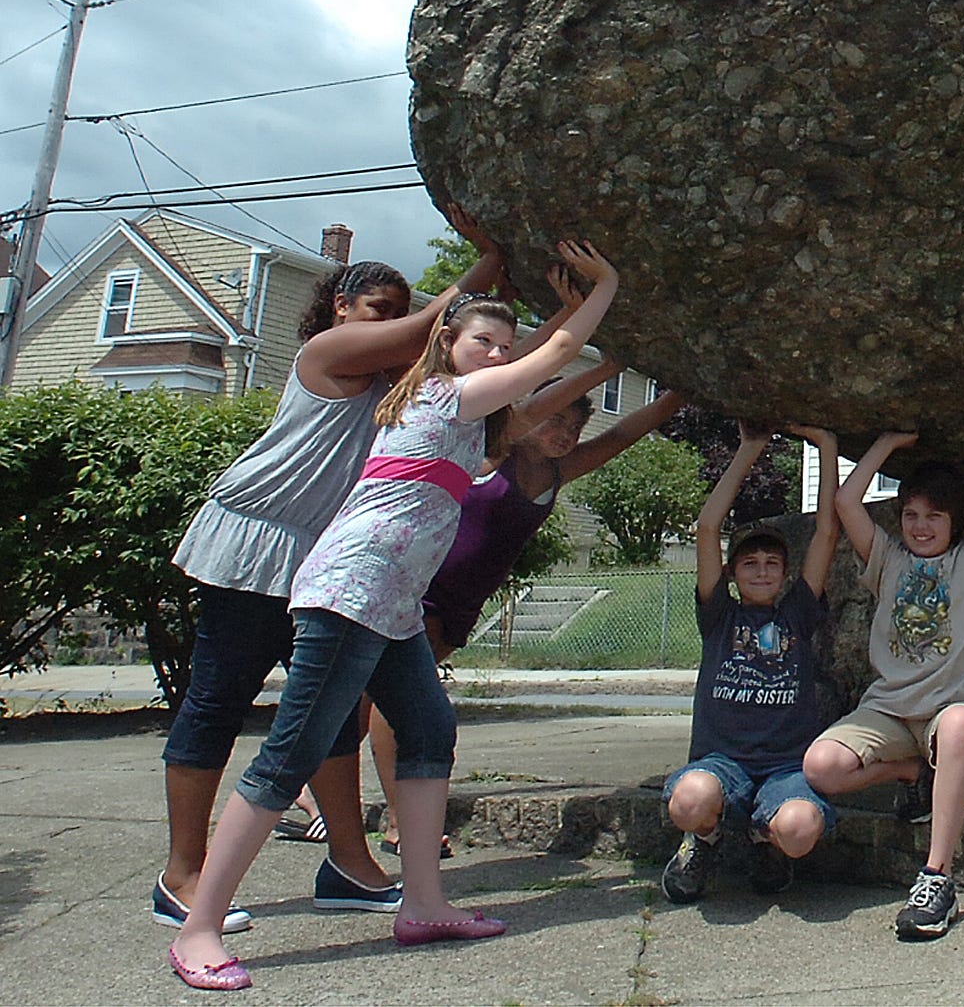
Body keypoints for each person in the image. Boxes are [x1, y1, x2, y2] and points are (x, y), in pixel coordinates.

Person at [167, 242, 619, 992]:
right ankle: (199, 927)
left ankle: (423, 902)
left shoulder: (467, 414)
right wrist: (606, 287)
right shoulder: (442, 396)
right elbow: (558, 351)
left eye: (504, 345)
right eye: (482, 340)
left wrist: (565, 320)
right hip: (353, 589)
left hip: (395, 603)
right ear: (444, 342)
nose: (499, 352)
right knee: (294, 749)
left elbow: (540, 360)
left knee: (429, 728)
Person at [155, 210, 503, 936]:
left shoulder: (405, 390)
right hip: (257, 541)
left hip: (334, 563)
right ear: (342, 308)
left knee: (336, 710)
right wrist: (491, 258)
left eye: (400, 314)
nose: (395, 326)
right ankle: (182, 873)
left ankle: (348, 859)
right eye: (380, 311)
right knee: (218, 701)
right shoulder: (327, 351)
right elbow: (426, 333)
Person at [370, 358, 687, 856]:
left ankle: (333, 802)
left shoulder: (559, 471)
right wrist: (611, 361)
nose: (565, 432)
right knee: (403, 701)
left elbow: (621, 435)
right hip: (418, 589)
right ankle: (400, 820)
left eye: (575, 425)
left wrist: (678, 392)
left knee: (368, 698)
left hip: (462, 603)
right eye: (555, 418)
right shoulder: (494, 451)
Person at [802, 420, 964, 941]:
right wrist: (885, 443)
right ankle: (912, 773)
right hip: (888, 711)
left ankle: (937, 879)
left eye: (934, 516)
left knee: (955, 727)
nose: (921, 526)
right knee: (821, 767)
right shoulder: (888, 559)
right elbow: (846, 502)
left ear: (956, 523)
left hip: (951, 710)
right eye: (910, 515)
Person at [661, 423, 842, 902]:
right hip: (721, 763)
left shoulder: (798, 616)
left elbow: (826, 530)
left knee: (801, 829)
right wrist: (749, 448)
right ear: (733, 573)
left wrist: (826, 447)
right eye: (749, 563)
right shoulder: (720, 616)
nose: (761, 569)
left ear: (785, 573)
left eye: (772, 563)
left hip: (786, 767)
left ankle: (768, 840)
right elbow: (707, 528)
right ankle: (704, 836)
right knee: (690, 800)